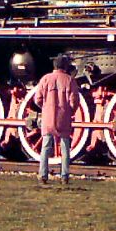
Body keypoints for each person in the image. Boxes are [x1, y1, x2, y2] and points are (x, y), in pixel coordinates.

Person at [34, 55, 81, 184]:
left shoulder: (45, 79)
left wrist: (45, 107)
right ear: (65, 66)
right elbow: (74, 101)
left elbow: (37, 99)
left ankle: (43, 175)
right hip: (64, 118)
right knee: (65, 148)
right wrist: (70, 111)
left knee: (45, 147)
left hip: (48, 118)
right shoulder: (70, 80)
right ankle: (64, 176)